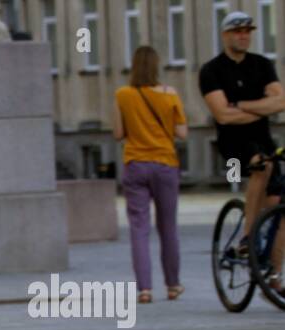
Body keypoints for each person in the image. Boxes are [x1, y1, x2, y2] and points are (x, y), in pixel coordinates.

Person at [200, 11, 285, 246]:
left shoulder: (262, 64)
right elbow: (223, 116)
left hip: (263, 138)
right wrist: (262, 108)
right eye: (238, 32)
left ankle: (273, 276)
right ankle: (247, 236)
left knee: (279, 207)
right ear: (225, 35)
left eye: (247, 32)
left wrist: (240, 105)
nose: (243, 36)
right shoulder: (212, 70)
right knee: (261, 164)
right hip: (232, 144)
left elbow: (280, 102)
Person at [113, 46, 187, 303]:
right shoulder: (170, 94)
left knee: (139, 229)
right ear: (156, 66)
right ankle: (173, 285)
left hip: (135, 165)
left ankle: (144, 289)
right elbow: (182, 133)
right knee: (168, 228)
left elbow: (118, 133)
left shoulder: (123, 94)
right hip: (165, 164)